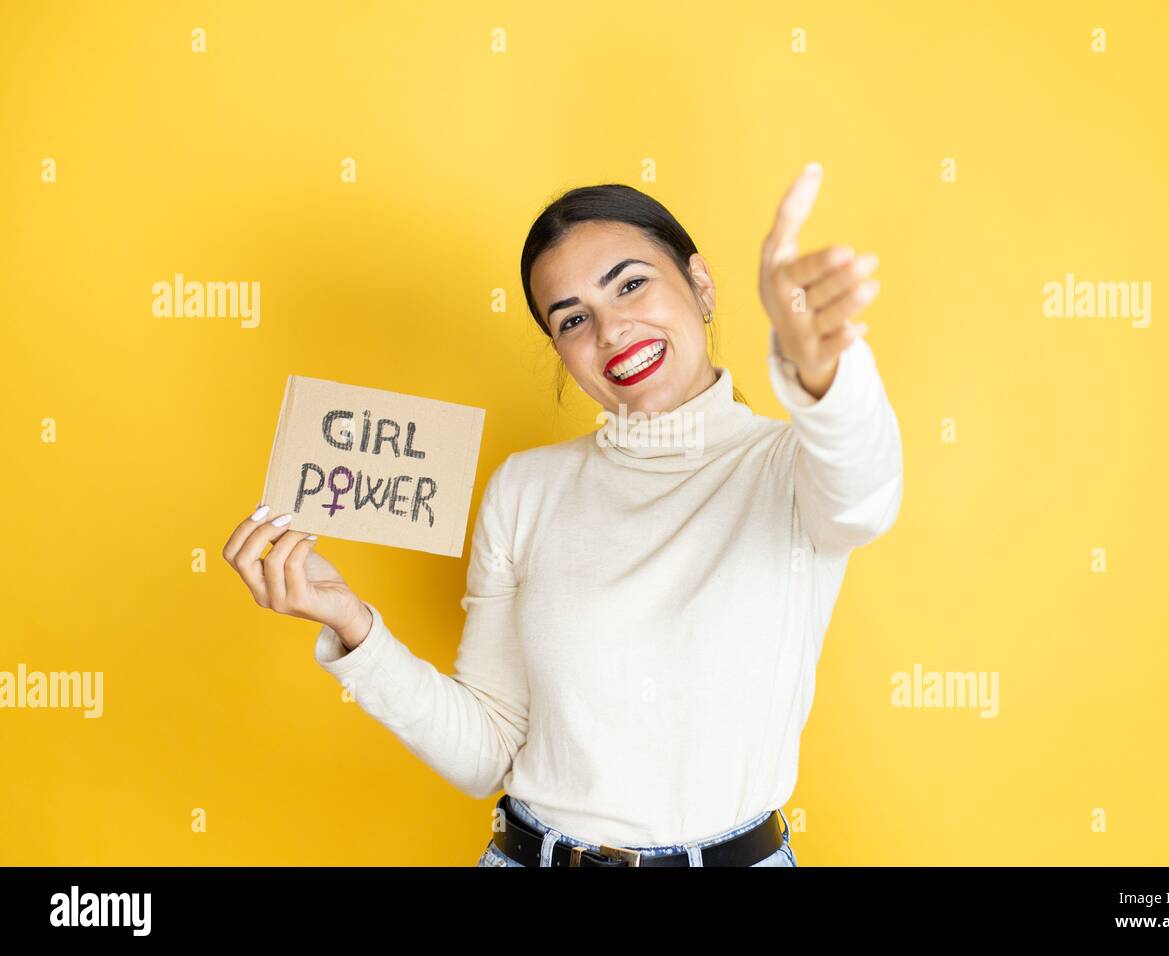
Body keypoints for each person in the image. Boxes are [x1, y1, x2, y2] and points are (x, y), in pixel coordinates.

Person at [223, 162, 904, 866]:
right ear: (561, 351)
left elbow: (865, 490)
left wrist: (820, 368)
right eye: (573, 318)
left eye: (631, 283)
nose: (610, 329)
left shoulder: (789, 470)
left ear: (701, 285)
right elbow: (488, 751)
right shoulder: (526, 489)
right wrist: (353, 626)